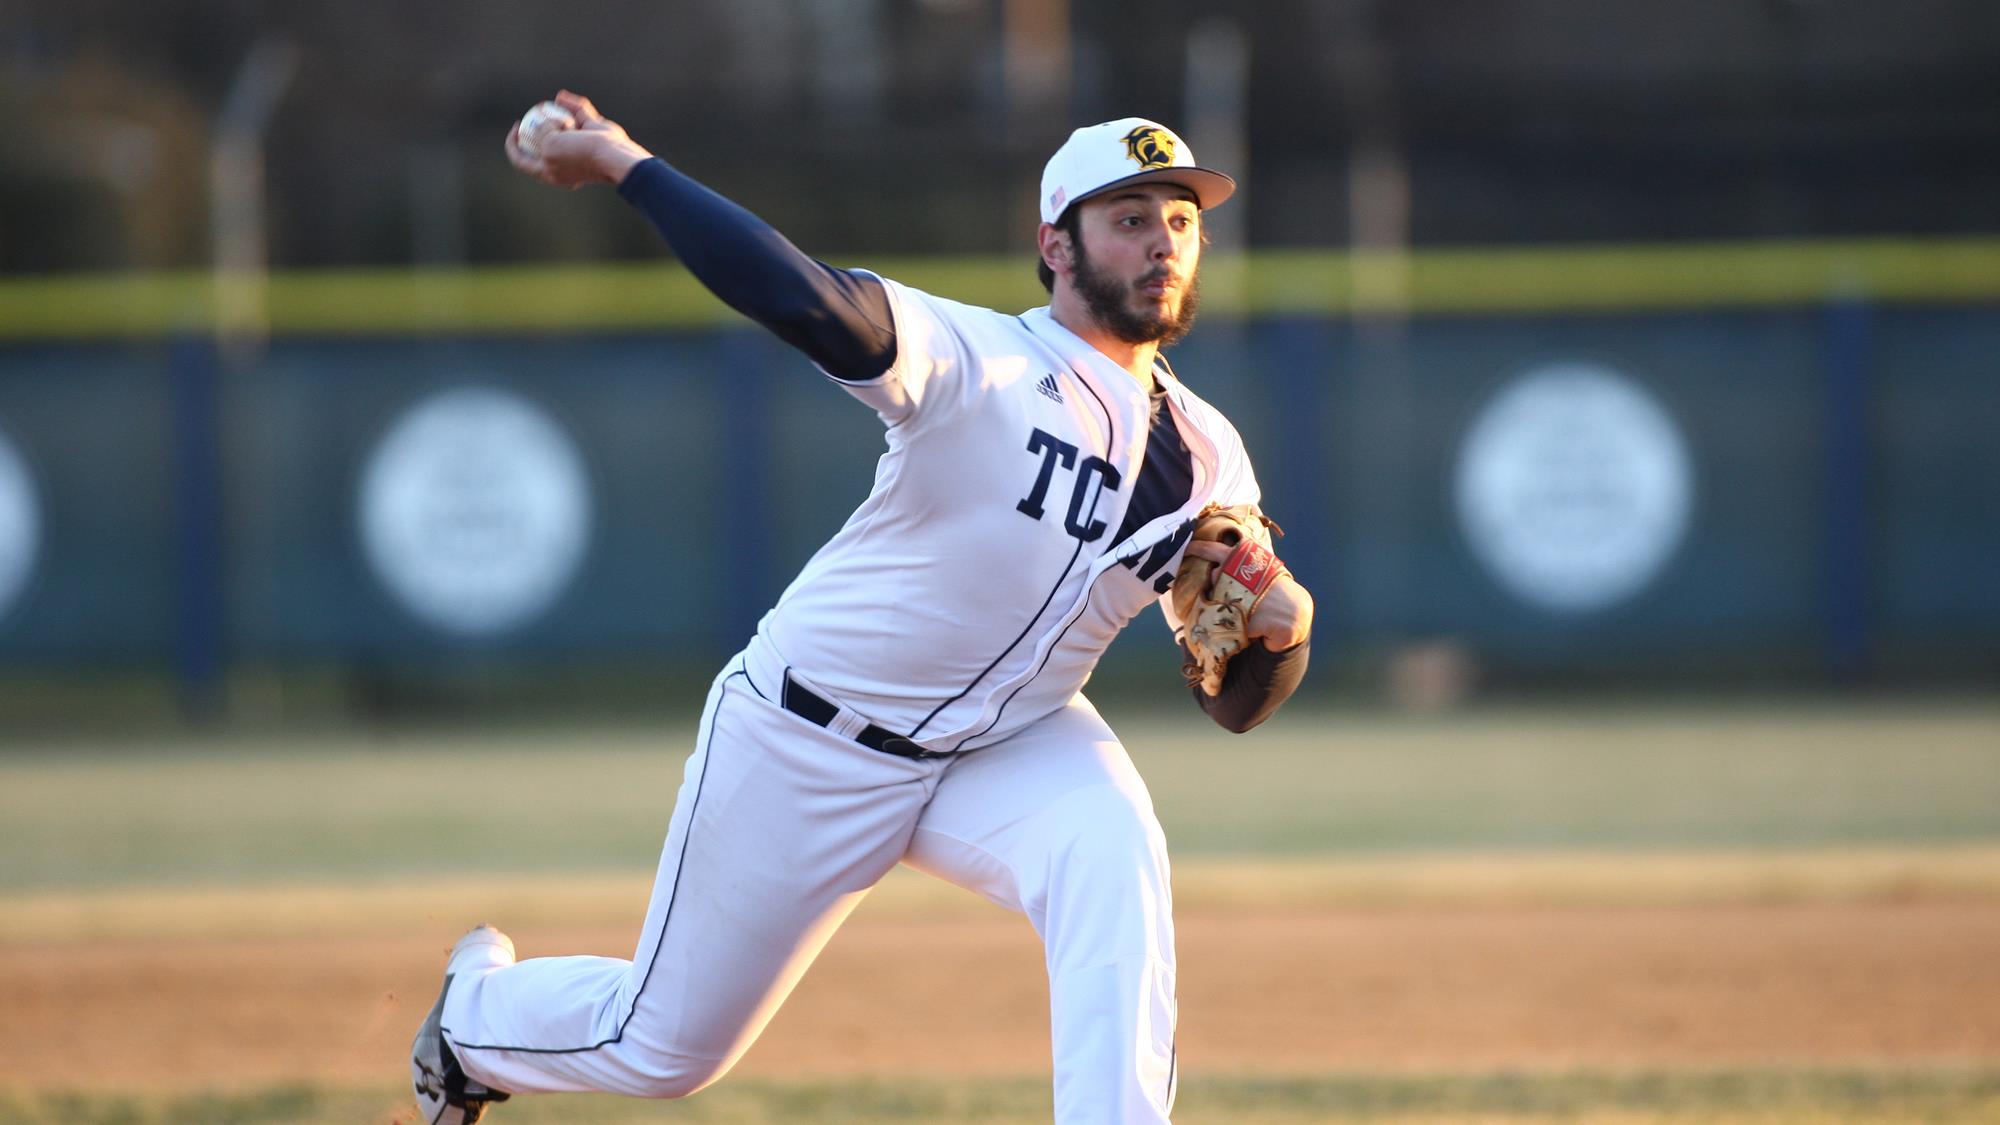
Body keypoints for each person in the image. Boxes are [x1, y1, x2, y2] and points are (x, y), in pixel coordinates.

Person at [410, 90, 1314, 1125]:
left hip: (1009, 740)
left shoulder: (1206, 454)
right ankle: (474, 1025)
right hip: (812, 735)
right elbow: (793, 294)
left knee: (1112, 852)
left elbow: (1234, 703)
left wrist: (1277, 636)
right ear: (1054, 249)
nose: (1163, 242)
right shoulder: (976, 358)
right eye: (1128, 219)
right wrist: (625, 163)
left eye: (1180, 221)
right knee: (661, 1048)